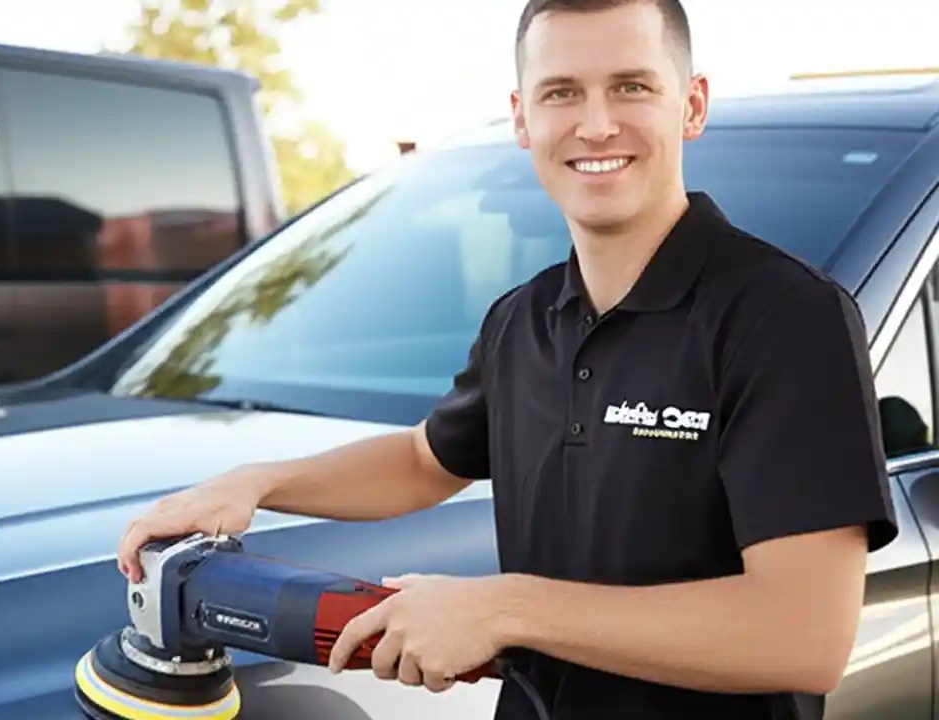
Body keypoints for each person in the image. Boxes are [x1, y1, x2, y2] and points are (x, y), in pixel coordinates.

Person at [115, 0, 899, 717]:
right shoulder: (522, 319)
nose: (596, 125)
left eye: (630, 87)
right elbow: (426, 460)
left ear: (690, 104)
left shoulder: (785, 318)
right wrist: (257, 485)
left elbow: (802, 636)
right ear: (522, 118)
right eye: (562, 92)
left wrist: (503, 607)